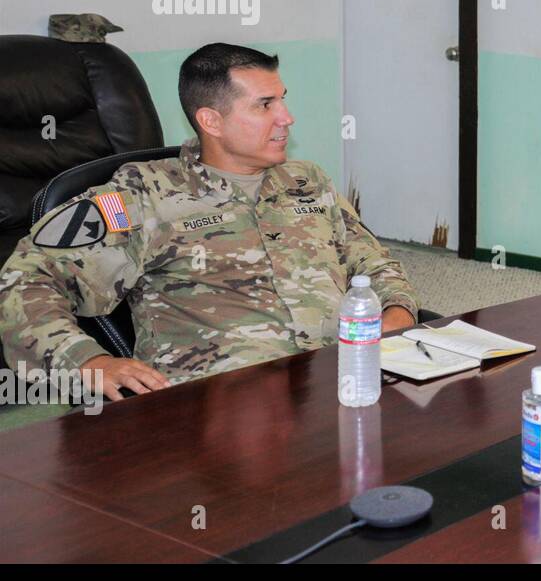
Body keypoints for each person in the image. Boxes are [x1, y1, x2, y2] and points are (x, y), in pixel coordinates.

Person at [0, 43, 420, 400]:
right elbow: (26, 278)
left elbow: (373, 263)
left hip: (343, 379)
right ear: (211, 121)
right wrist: (87, 361)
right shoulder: (143, 195)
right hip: (222, 408)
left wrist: (397, 312)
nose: (286, 117)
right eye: (265, 105)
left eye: (283, 99)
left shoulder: (307, 180)